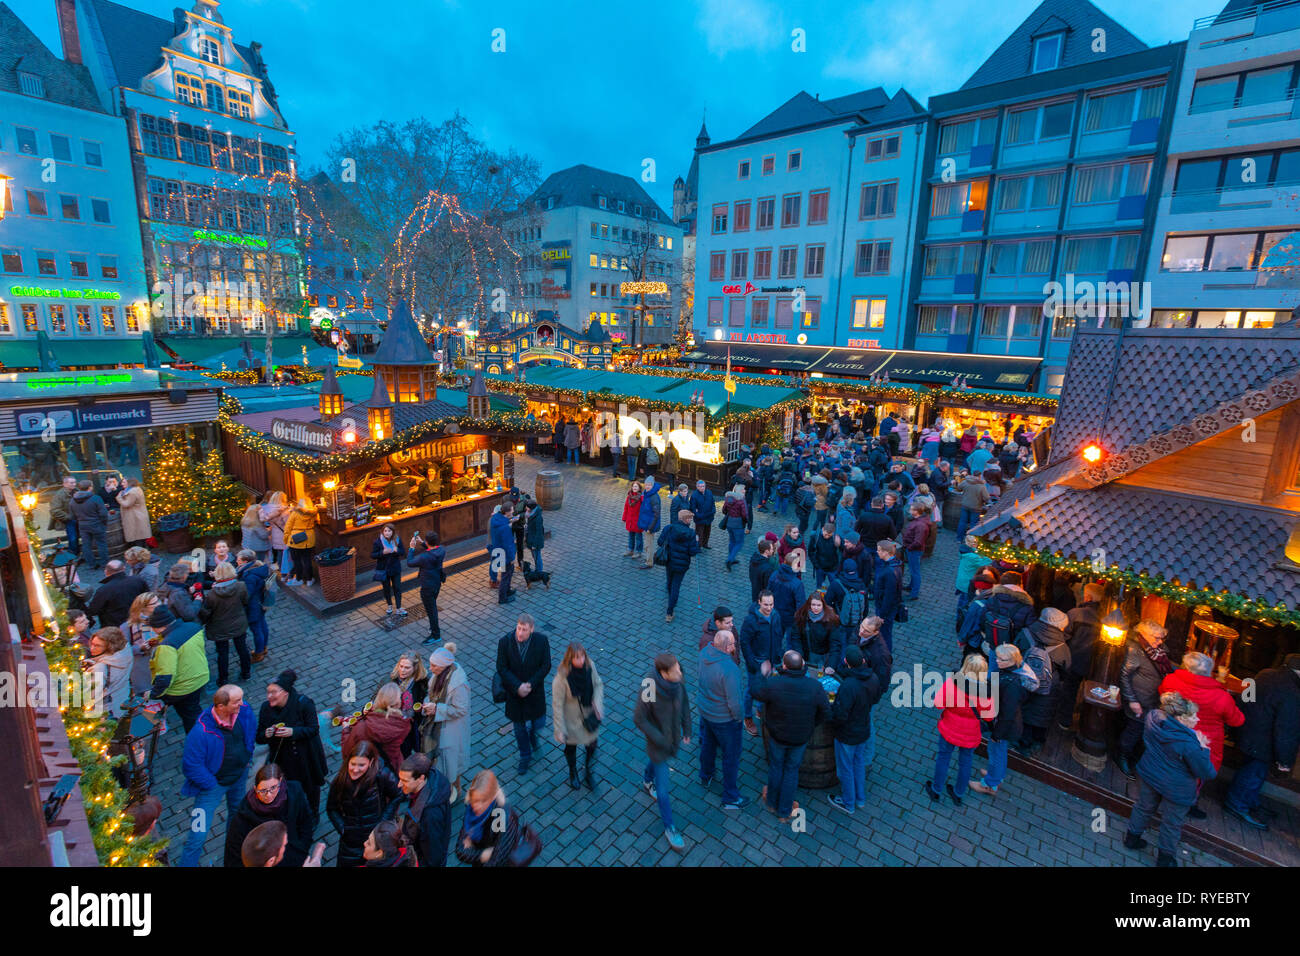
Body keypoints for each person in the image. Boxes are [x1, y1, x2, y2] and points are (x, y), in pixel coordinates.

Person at [1123, 692, 1217, 867]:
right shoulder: (1190, 744)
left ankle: (1131, 839)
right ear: (1180, 718)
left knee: (1143, 807)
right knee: (1172, 823)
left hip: (1151, 774)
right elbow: (1208, 773)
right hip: (1177, 788)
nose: (1197, 719)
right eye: (1193, 716)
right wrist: (1204, 748)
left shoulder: (1153, 718)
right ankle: (1165, 859)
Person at [1159, 650, 1244, 817]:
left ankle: (1162, 795)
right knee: (1195, 775)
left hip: (1174, 735)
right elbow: (1237, 720)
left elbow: (1162, 693)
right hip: (1202, 744)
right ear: (1208, 671)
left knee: (1171, 765)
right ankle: (1188, 805)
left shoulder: (1171, 680)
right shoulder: (1221, 696)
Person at [179, 684, 256, 866]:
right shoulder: (199, 733)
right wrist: (211, 784)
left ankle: (233, 858)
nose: (242, 704)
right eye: (237, 701)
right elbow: (191, 766)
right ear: (221, 706)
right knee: (197, 835)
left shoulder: (243, 711)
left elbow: (250, 733)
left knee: (236, 819)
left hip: (239, 777)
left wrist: (247, 757)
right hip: (211, 788)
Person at [751, 650, 830, 822]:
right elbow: (825, 712)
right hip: (800, 738)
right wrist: (812, 724)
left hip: (778, 736)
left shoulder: (774, 683)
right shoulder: (814, 687)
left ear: (784, 666)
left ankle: (771, 802)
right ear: (802, 665)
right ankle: (784, 811)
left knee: (776, 766)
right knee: (791, 770)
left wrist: (761, 673)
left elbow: (755, 692)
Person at [1224, 653, 1300, 830]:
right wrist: (1285, 761)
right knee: (1253, 774)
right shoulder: (1294, 694)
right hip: (1263, 741)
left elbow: (1246, 697)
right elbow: (1286, 731)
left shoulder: (1265, 674)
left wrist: (1238, 726)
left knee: (1250, 770)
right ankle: (1237, 804)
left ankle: (1249, 800)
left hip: (1247, 731)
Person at [633, 651, 692, 852]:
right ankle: (670, 828)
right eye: (675, 670)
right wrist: (659, 739)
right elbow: (639, 719)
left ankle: (647, 780)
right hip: (659, 745)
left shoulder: (678, 680)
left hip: (672, 739)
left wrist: (687, 728)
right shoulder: (649, 686)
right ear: (663, 673)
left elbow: (685, 703)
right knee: (664, 791)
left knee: (656, 765)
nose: (680, 672)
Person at [256, 669, 329, 826]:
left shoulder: (304, 703)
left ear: (285, 692)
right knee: (289, 791)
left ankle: (313, 815)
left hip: (306, 757)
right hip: (283, 761)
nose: (269, 696)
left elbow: (313, 729)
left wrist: (293, 732)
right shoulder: (265, 708)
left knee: (311, 789)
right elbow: (259, 737)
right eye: (268, 692)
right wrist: (267, 733)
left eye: (273, 692)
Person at [925, 654, 995, 806]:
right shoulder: (987, 691)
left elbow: (938, 703)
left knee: (943, 758)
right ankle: (958, 793)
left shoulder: (953, 683)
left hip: (949, 728)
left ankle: (936, 790)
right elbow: (989, 717)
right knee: (966, 762)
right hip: (970, 733)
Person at [969, 644, 1036, 796]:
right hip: (1003, 722)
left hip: (1004, 726)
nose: (997, 661)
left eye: (1002, 659)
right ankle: (995, 775)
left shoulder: (1012, 684)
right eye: (997, 657)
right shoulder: (1014, 671)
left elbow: (1008, 713)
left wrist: (997, 733)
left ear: (1012, 660)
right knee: (997, 752)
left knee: (996, 752)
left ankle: (990, 784)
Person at [326, 739, 400, 867]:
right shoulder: (340, 780)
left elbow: (397, 795)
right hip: (351, 843)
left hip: (375, 841)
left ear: (371, 762)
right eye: (353, 764)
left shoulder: (381, 775)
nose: (355, 770)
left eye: (361, 765)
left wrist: (382, 821)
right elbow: (331, 808)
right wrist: (343, 828)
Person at [827, 645, 883, 814]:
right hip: (863, 729)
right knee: (858, 764)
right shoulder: (873, 678)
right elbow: (876, 698)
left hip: (847, 734)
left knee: (845, 768)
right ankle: (860, 798)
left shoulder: (848, 686)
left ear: (846, 662)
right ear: (863, 661)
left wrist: (831, 720)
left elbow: (840, 715)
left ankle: (848, 802)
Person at [223, 763, 313, 867]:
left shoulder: (294, 792)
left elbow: (306, 822)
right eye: (263, 791)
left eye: (273, 788)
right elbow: (233, 856)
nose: (268, 795)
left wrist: (302, 849)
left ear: (280, 781)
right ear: (255, 789)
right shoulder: (243, 816)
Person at [497, 612, 552, 774]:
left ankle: (533, 735)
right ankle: (525, 755)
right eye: (518, 628)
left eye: (524, 630)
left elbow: (546, 665)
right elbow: (501, 668)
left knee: (539, 722)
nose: (520, 633)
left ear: (532, 630)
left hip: (534, 692)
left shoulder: (541, 641)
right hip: (515, 695)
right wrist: (517, 686)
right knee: (519, 728)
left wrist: (530, 684)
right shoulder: (505, 642)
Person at [1117, 620, 1174, 778]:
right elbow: (1124, 675)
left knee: (1144, 731)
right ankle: (1121, 756)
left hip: (1152, 700)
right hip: (1139, 700)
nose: (1160, 641)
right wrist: (1132, 700)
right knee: (1133, 731)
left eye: (1162, 638)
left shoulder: (1159, 650)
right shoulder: (1135, 650)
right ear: (1144, 635)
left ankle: (1133, 758)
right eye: (1156, 638)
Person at [698, 629, 746, 809]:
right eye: (733, 643)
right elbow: (734, 702)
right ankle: (731, 797)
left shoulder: (704, 653)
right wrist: (739, 718)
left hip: (706, 711)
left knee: (708, 745)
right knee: (731, 756)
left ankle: (706, 774)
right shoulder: (729, 669)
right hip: (724, 719)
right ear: (727, 648)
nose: (735, 646)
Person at [1014, 606, 1071, 753]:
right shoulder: (1062, 646)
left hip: (1024, 679)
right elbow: (1066, 667)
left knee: (1024, 709)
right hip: (1048, 686)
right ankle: (1038, 741)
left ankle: (1022, 742)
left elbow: (1015, 653)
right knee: (1042, 713)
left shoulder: (1025, 633)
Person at [146, 604, 209, 733]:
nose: (152, 630)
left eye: (153, 627)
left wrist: (154, 694)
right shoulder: (194, 627)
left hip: (182, 688)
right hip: (199, 676)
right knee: (194, 709)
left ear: (161, 626)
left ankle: (198, 740)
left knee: (190, 716)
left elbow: (165, 676)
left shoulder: (167, 645)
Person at [552, 641, 604, 791]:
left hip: (589, 716)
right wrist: (559, 729)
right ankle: (573, 771)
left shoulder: (590, 666)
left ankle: (588, 771)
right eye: (576, 658)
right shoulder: (562, 677)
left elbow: (598, 684)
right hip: (572, 720)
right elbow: (557, 705)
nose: (580, 660)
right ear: (570, 658)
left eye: (582, 656)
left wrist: (597, 703)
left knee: (592, 746)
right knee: (571, 748)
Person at [421, 644, 471, 801]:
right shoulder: (440, 674)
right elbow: (431, 694)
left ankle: (455, 789)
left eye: (434, 665)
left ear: (443, 666)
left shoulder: (458, 685)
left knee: (451, 760)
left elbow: (461, 709)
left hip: (452, 729)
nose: (430, 669)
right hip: (439, 726)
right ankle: (449, 787)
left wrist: (437, 709)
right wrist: (428, 704)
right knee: (444, 760)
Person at [387, 752, 452, 867]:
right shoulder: (432, 779)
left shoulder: (429, 815)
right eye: (400, 778)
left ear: (421, 778)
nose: (399, 785)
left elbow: (433, 857)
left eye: (405, 781)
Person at [959, 570, 1036, 661]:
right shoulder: (1026, 606)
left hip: (992, 643)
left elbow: (982, 621)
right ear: (1020, 584)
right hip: (1012, 650)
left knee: (992, 667)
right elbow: (1030, 631)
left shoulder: (993, 599)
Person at [1057, 582, 1104, 730]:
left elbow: (1064, 636)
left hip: (1075, 658)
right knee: (1091, 693)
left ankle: (1064, 721)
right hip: (1095, 662)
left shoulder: (1075, 613)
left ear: (1088, 597)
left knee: (1070, 691)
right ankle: (1087, 724)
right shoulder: (1104, 618)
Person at [455, 770, 524, 866]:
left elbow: (498, 861)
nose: (477, 806)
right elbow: (460, 851)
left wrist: (472, 851)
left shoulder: (502, 817)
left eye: (483, 801)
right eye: (475, 800)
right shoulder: (471, 811)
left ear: (493, 797)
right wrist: (483, 855)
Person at [199, 561, 251, 685]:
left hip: (219, 627)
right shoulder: (241, 586)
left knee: (222, 653)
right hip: (238, 623)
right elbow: (245, 601)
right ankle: (246, 672)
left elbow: (206, 612)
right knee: (242, 649)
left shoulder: (212, 595)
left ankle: (223, 678)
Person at [342, 683, 411, 774]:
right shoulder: (403, 725)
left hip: (364, 770)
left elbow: (346, 751)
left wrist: (346, 730)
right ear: (398, 703)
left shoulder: (362, 727)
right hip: (391, 767)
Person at [405, 530, 445, 645]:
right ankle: (433, 629)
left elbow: (410, 562)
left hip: (427, 587)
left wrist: (412, 548)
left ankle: (435, 635)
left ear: (428, 542)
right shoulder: (441, 550)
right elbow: (433, 548)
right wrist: (423, 542)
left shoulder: (425, 557)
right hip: (437, 583)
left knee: (431, 611)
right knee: (432, 606)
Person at [661, 509, 701, 623]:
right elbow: (693, 552)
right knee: (676, 586)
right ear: (686, 519)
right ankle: (669, 612)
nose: (691, 521)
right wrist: (696, 543)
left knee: (669, 581)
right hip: (682, 564)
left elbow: (660, 542)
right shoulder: (691, 533)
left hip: (669, 561)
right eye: (690, 519)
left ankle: (671, 599)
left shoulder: (669, 528)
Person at [84, 626, 133, 716]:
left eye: (97, 646)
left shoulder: (100, 668)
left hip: (105, 712)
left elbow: (90, 695)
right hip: (122, 703)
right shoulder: (125, 652)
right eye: (92, 644)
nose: (92, 648)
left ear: (109, 647)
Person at [86, 559, 148, 629]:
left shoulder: (104, 590)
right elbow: (147, 598)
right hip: (137, 622)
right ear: (124, 568)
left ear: (106, 571)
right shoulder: (138, 580)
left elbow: (93, 610)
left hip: (115, 627)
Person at [234, 549, 272, 664]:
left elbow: (247, 594)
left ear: (245, 561)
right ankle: (264, 648)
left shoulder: (249, 575)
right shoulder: (258, 567)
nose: (237, 561)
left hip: (253, 606)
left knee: (256, 629)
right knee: (262, 625)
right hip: (261, 602)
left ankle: (259, 653)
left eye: (239, 560)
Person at [791, 592, 842, 672]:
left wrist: (831, 665)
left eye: (819, 605)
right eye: (813, 605)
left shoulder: (831, 619)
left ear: (823, 605)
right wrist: (800, 657)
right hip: (806, 656)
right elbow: (796, 638)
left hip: (824, 657)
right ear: (809, 605)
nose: (816, 608)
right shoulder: (801, 616)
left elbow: (835, 644)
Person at [769, 552, 807, 650]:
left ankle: (776, 656)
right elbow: (801, 604)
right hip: (790, 618)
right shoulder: (797, 584)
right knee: (791, 642)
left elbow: (768, 593)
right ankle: (788, 661)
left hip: (776, 613)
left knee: (777, 638)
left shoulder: (774, 575)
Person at [371, 523, 408, 617]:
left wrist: (396, 550)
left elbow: (403, 552)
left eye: (389, 531)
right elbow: (373, 555)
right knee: (386, 589)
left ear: (393, 532)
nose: (387, 533)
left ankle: (399, 608)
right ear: (382, 532)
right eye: (385, 531)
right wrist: (382, 552)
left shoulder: (397, 540)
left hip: (395, 568)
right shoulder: (378, 542)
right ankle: (389, 605)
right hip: (384, 570)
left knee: (397, 588)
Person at [872, 540, 903, 652]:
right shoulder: (893, 565)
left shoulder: (890, 571)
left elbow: (889, 596)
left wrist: (882, 614)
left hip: (885, 610)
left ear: (886, 552)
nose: (877, 552)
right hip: (885, 608)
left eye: (879, 550)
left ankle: (885, 656)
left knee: (885, 635)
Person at [70, 480, 109, 569]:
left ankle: (91, 564)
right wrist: (103, 523)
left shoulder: (72, 500)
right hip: (96, 524)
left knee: (86, 545)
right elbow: (103, 514)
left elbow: (72, 516)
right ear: (90, 487)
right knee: (101, 544)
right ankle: (104, 564)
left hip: (83, 526)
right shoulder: (96, 498)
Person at [282, 498, 318, 586]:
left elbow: (288, 527)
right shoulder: (313, 513)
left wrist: (286, 540)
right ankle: (309, 580)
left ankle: (299, 579)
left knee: (297, 561)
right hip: (309, 538)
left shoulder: (295, 513)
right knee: (307, 560)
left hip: (295, 539)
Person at [900, 504, 931, 602]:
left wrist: (909, 547)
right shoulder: (919, 521)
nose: (909, 510)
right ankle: (911, 586)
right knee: (913, 570)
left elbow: (918, 541)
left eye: (912, 509)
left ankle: (914, 594)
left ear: (916, 512)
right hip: (913, 550)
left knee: (915, 572)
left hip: (914, 551)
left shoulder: (920, 525)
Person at [489, 502, 517, 604]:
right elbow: (508, 544)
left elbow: (502, 523)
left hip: (497, 549)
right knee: (506, 575)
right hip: (505, 553)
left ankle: (507, 591)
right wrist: (512, 557)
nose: (513, 511)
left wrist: (509, 521)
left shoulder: (495, 518)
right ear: (507, 512)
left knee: (507, 573)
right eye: (512, 509)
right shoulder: (505, 528)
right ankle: (502, 598)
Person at [637, 472, 664, 570]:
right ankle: (649, 559)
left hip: (649, 526)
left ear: (652, 485)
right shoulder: (647, 493)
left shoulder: (654, 497)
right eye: (646, 484)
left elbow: (656, 515)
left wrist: (650, 528)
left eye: (649, 485)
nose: (647, 486)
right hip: (646, 524)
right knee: (648, 544)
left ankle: (649, 562)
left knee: (649, 544)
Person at [48, 475, 80, 555]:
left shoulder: (78, 491)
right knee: (73, 538)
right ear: (65, 484)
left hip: (80, 518)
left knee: (82, 536)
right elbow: (55, 510)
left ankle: (80, 553)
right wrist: (68, 517)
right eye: (71, 483)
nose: (74, 484)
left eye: (75, 482)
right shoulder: (59, 495)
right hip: (70, 520)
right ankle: (73, 555)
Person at [954, 470, 989, 538]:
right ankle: (970, 540)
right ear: (980, 476)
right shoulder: (981, 486)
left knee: (962, 522)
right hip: (976, 507)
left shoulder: (966, 481)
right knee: (973, 524)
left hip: (965, 505)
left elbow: (958, 488)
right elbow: (986, 498)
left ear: (973, 475)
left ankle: (959, 538)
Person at [260, 491, 290, 571]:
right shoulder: (283, 509)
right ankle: (286, 572)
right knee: (286, 554)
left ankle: (282, 571)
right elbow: (288, 524)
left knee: (280, 553)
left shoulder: (266, 509)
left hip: (274, 533)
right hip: (283, 534)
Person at [720, 489, 749, 571]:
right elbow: (745, 514)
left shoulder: (728, 498)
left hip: (729, 522)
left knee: (732, 541)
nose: (744, 492)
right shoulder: (741, 500)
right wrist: (746, 521)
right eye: (743, 490)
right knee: (739, 543)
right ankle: (730, 559)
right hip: (738, 524)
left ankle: (731, 558)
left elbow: (723, 510)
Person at [690, 479, 716, 549]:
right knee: (699, 534)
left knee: (707, 532)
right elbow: (693, 508)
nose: (702, 488)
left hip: (709, 517)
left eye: (703, 486)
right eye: (700, 486)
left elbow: (713, 504)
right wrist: (699, 516)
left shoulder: (709, 493)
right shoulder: (694, 495)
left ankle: (705, 544)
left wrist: (713, 512)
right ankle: (698, 546)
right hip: (700, 519)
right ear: (697, 487)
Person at [622, 480, 645, 558]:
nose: (634, 488)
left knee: (638, 537)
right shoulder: (629, 496)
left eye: (636, 486)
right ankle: (630, 550)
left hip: (638, 521)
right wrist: (624, 518)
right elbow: (626, 508)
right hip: (630, 520)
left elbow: (644, 510)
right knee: (631, 535)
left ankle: (639, 552)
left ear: (639, 488)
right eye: (633, 486)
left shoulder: (642, 498)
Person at [523, 496, 545, 573]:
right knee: (534, 556)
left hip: (535, 541)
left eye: (527, 507)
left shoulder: (538, 518)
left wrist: (535, 544)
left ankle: (539, 572)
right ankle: (538, 570)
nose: (526, 508)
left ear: (531, 508)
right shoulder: (530, 513)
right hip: (531, 538)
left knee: (537, 557)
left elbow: (539, 532)